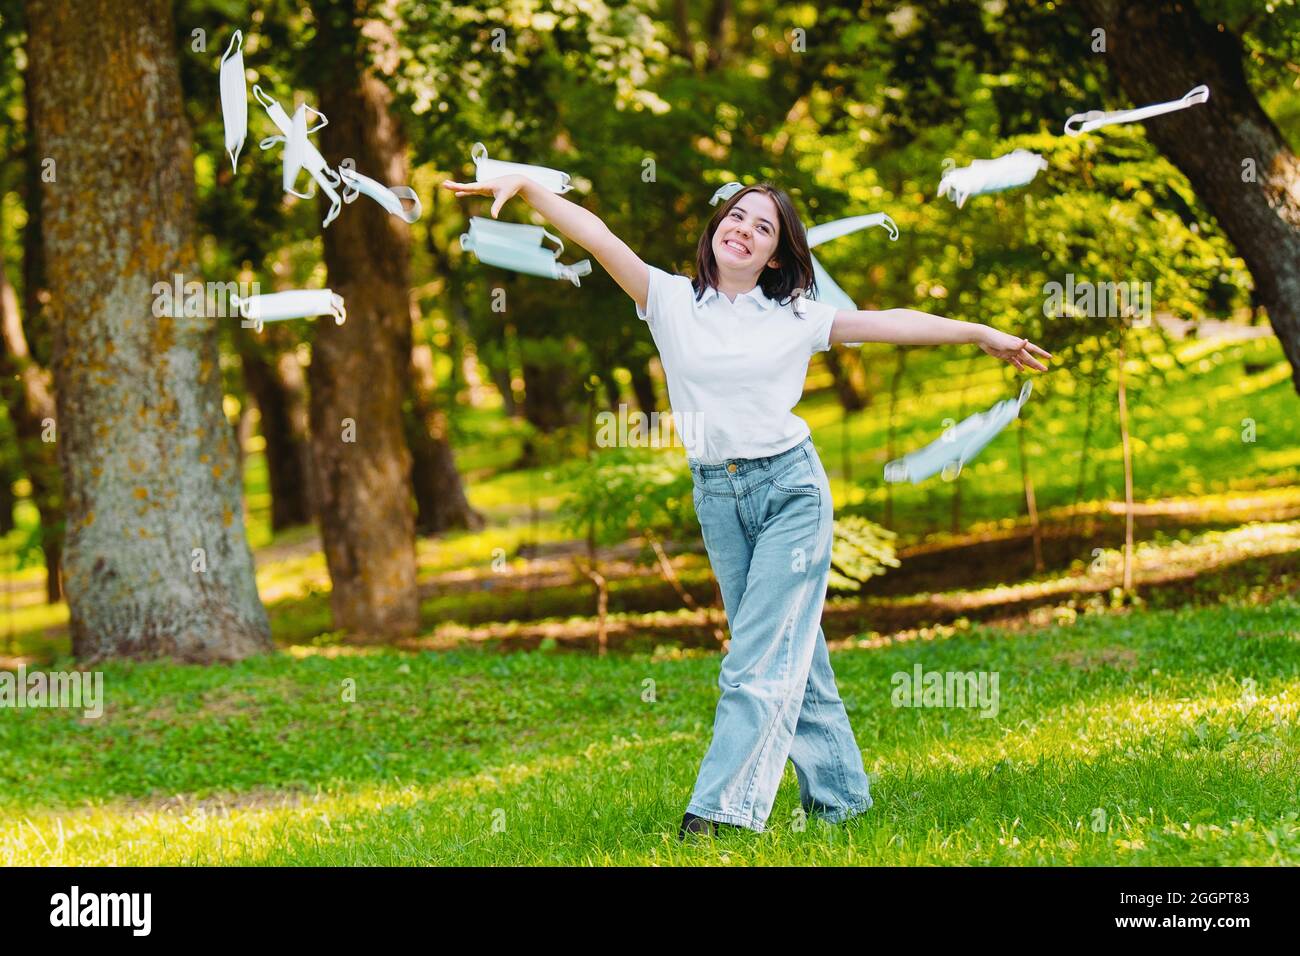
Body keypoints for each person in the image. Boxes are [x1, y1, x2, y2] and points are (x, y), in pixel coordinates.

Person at [441, 174, 1052, 839]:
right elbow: (596, 234)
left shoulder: (797, 317)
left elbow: (890, 325)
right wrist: (529, 188)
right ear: (715, 230)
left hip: (792, 491)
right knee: (792, 651)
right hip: (718, 498)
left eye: (763, 227)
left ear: (778, 257)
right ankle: (843, 802)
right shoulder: (667, 299)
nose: (743, 229)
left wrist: (977, 332)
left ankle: (719, 814)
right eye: (736, 216)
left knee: (756, 659)